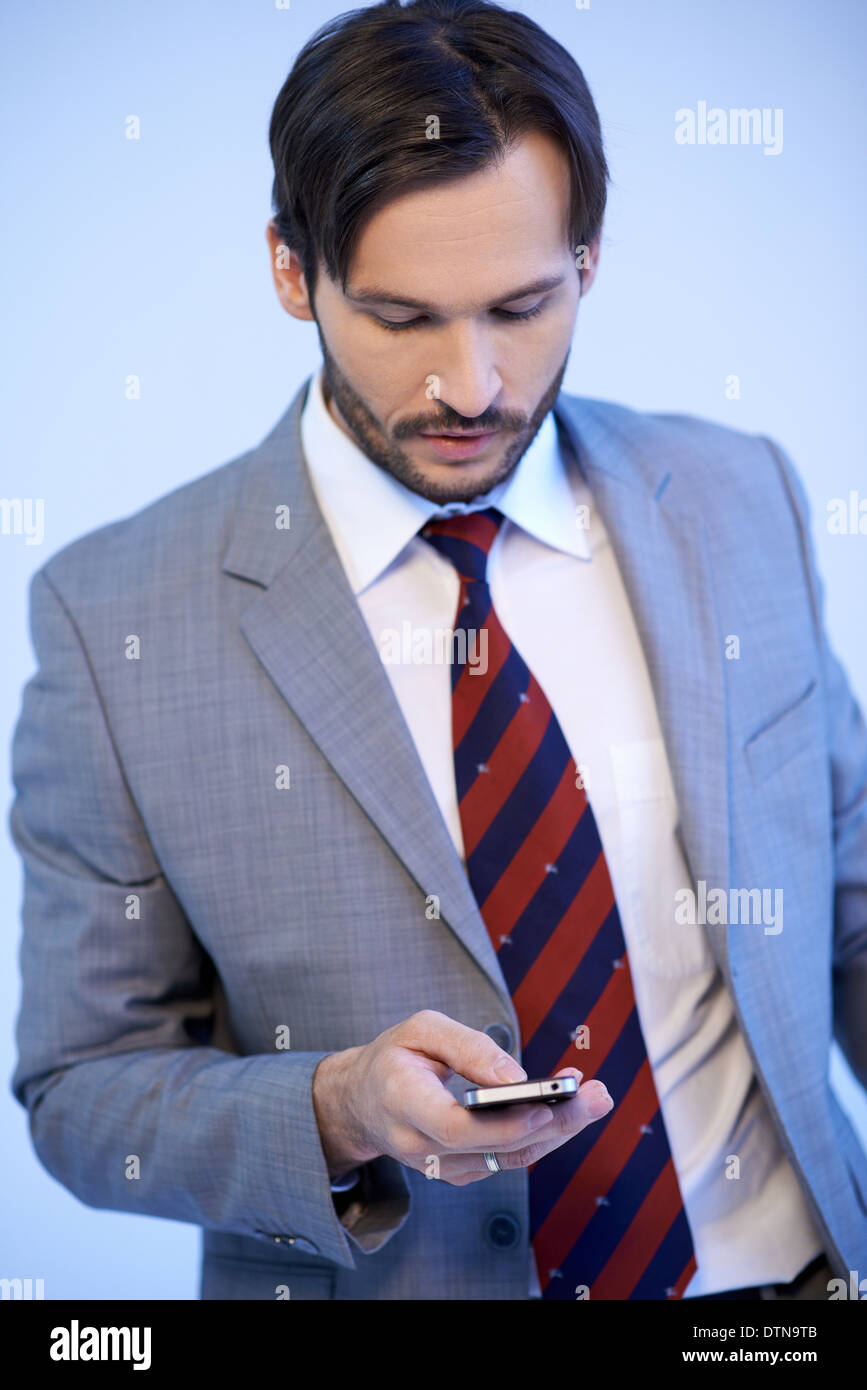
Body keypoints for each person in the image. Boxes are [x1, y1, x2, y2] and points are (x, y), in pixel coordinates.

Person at [10, 0, 867, 1301]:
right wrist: (336, 1105)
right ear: (294, 271)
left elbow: (851, 912)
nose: (472, 384)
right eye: (403, 319)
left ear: (588, 260)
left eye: (522, 306)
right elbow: (81, 1092)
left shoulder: (740, 494)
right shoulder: (112, 614)